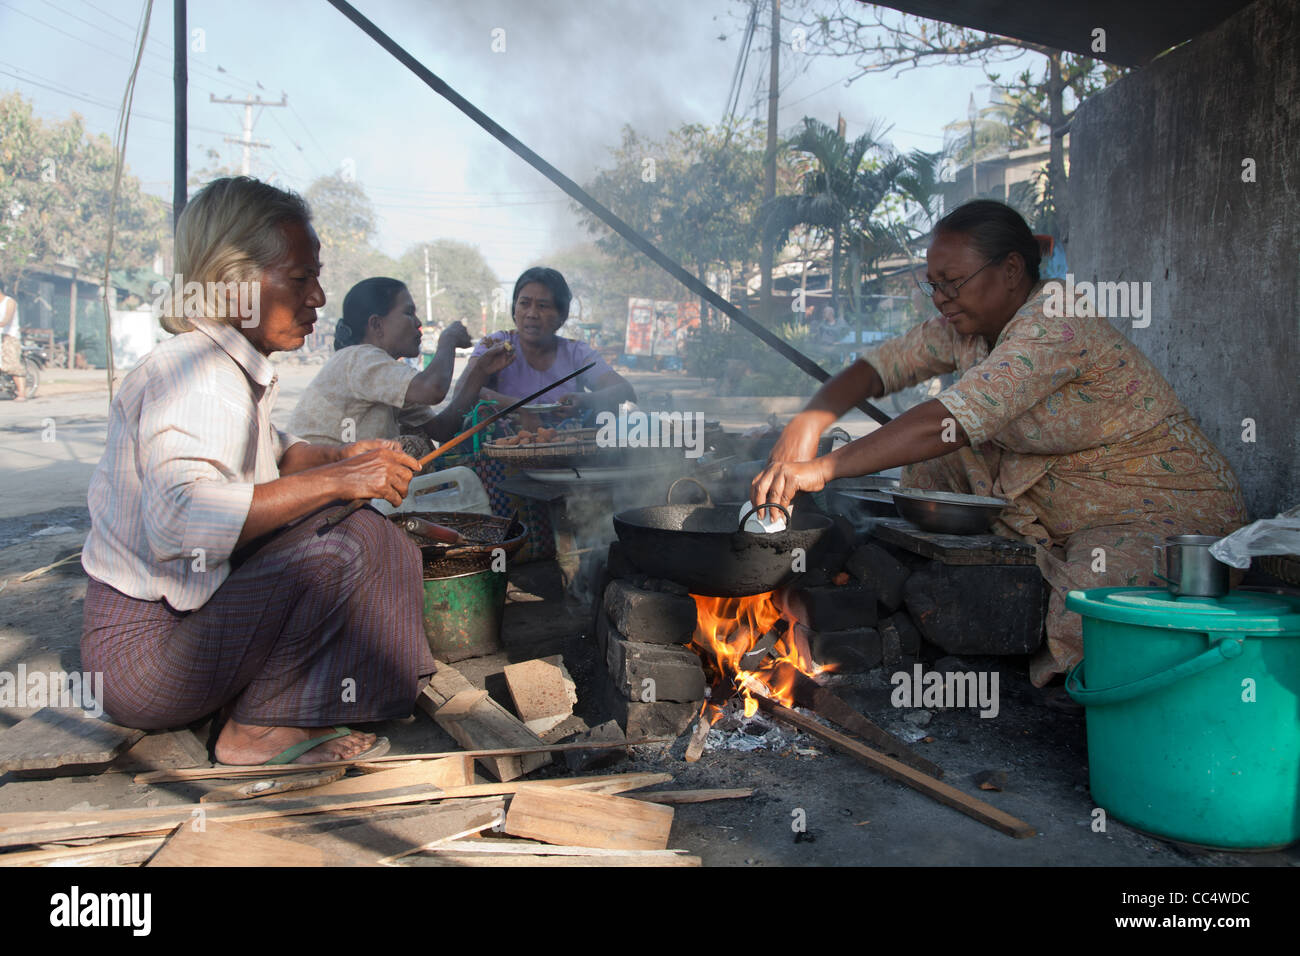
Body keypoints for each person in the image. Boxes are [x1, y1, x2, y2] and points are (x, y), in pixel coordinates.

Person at [751, 200, 1246, 686]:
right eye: (934, 284)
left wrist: (821, 469)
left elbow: (946, 420)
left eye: (954, 282)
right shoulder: (968, 329)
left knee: (1089, 603)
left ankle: (1073, 687)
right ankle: (945, 596)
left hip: (1158, 513)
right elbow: (880, 367)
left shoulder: (1055, 321)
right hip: (1049, 501)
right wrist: (809, 422)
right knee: (930, 468)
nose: (941, 297)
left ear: (1011, 269)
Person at [80, 176, 434, 765]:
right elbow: (181, 520)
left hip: (177, 639)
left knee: (360, 525)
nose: (318, 297)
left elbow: (271, 452)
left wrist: (345, 457)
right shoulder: (200, 377)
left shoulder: (225, 366)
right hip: (144, 663)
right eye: (300, 278)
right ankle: (259, 729)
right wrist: (339, 481)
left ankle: (275, 704)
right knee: (347, 544)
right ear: (234, 281)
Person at [288, 277, 514, 448]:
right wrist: (447, 341)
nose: (417, 323)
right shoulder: (357, 358)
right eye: (408, 313)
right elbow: (433, 389)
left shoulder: (389, 378)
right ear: (377, 325)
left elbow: (443, 429)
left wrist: (481, 371)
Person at [468, 266, 635, 415]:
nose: (531, 313)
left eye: (543, 306)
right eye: (524, 304)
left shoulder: (576, 353)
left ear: (561, 316)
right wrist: (518, 408)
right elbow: (464, 391)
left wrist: (586, 400)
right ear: (514, 310)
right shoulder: (496, 344)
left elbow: (625, 391)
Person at [0, 278, 25, 401]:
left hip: (9, 337)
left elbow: (6, 320)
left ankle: (21, 393)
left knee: (12, 364)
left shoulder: (10, 302)